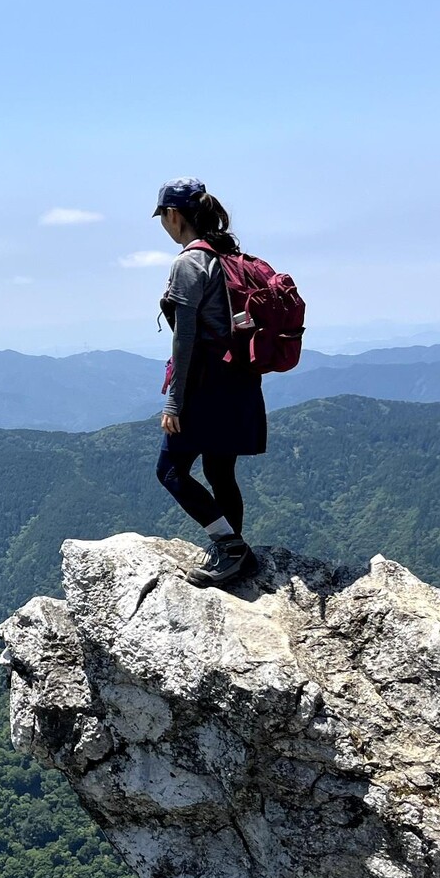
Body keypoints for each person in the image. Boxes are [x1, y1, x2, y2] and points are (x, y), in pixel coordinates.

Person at [152, 177, 266, 587]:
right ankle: (232, 553)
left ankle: (231, 549)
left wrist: (174, 403)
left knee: (169, 470)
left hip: (205, 381)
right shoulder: (230, 254)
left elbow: (184, 338)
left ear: (174, 215)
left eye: (163, 217)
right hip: (241, 376)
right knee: (220, 471)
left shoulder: (188, 263)